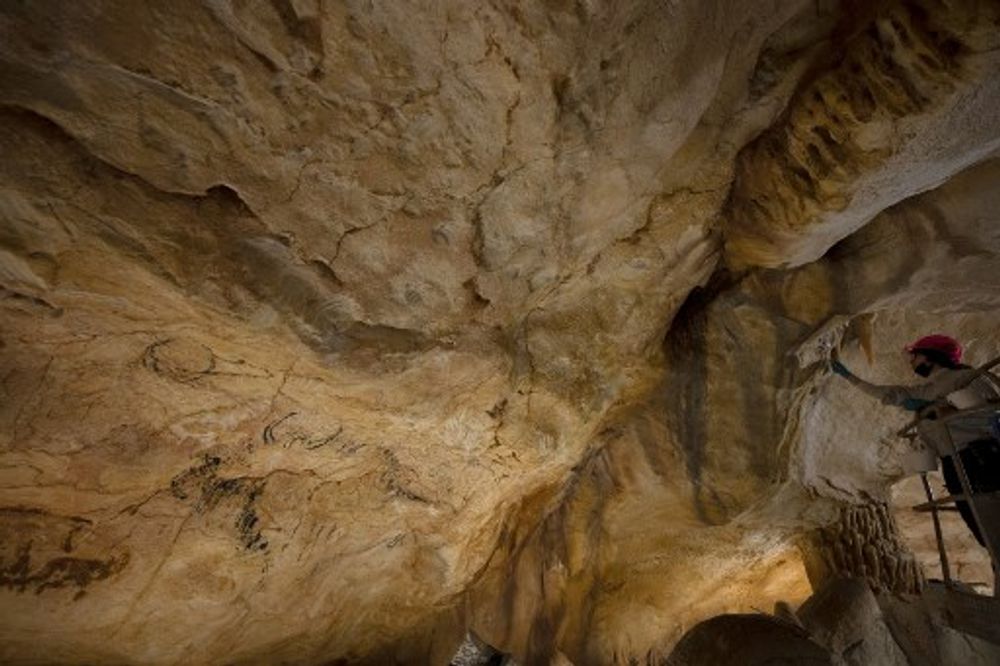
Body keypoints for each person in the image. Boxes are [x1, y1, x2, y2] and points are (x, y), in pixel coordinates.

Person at [830, 334, 1000, 549]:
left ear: (931, 357)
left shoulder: (966, 376)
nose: (912, 362)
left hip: (980, 455)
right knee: (984, 532)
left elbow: (987, 408)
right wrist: (849, 377)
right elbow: (891, 395)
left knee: (994, 523)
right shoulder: (929, 388)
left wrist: (938, 409)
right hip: (954, 462)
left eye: (916, 356)